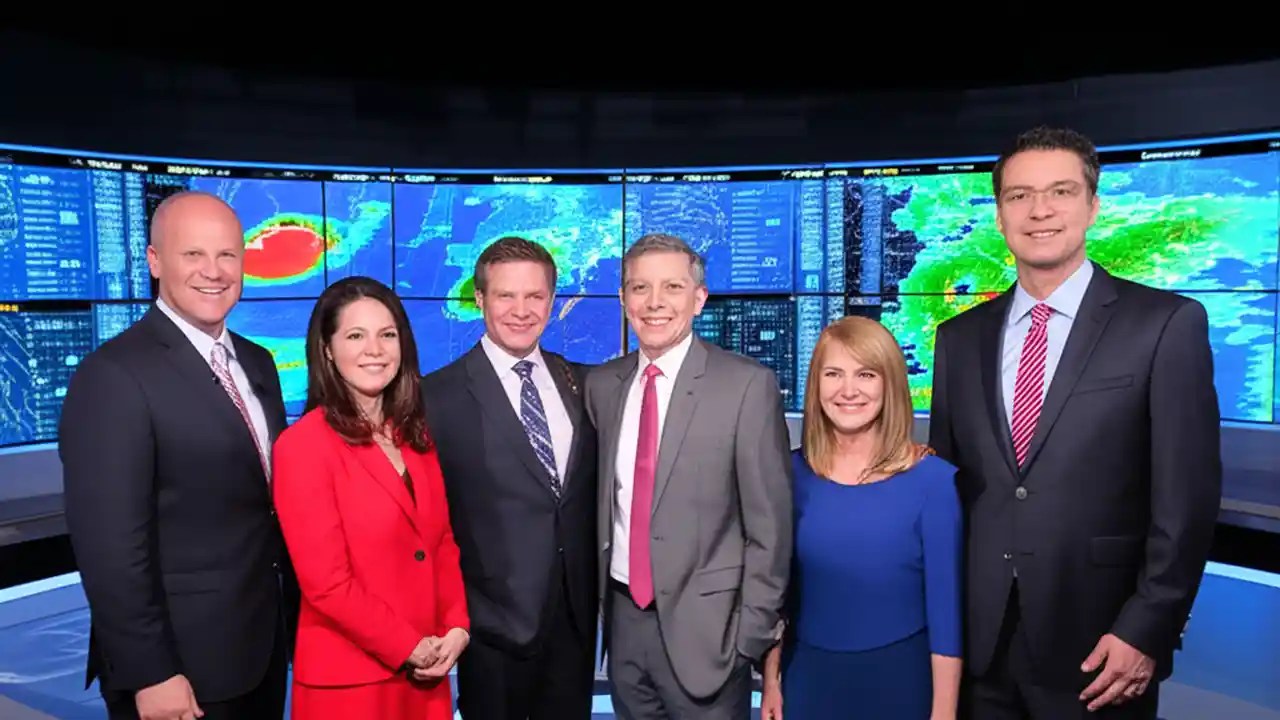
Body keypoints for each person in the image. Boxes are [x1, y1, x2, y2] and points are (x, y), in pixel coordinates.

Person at [928, 126, 1223, 718]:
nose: (1040, 211)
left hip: (1102, 648)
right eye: (1019, 195)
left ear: (1092, 205)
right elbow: (948, 491)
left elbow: (1186, 500)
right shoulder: (959, 339)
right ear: (1000, 211)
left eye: (1060, 192)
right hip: (979, 645)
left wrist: (1147, 629)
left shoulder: (1164, 324)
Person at [60, 191, 296, 720]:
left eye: (227, 255)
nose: (213, 271)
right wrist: (151, 672)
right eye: (193, 254)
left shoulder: (257, 363)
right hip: (177, 671)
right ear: (154, 260)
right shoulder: (114, 376)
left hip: (258, 650)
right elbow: (111, 548)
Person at [583, 232, 793, 719]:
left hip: (712, 639)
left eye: (672, 288)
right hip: (624, 628)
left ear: (699, 299)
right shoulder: (602, 386)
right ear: (623, 299)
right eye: (640, 288)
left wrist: (750, 639)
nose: (654, 303)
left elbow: (771, 529)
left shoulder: (746, 387)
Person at [271, 275, 470, 719]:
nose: (375, 350)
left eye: (387, 335)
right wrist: (408, 646)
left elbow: (440, 543)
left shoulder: (415, 437)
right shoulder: (302, 447)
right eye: (355, 336)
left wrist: (457, 625)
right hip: (352, 683)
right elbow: (327, 585)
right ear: (327, 349)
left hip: (426, 675)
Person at [421, 236, 598, 719]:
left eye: (535, 296)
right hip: (490, 633)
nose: (521, 310)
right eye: (506, 296)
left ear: (552, 301)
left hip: (575, 627)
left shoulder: (584, 383)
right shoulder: (436, 397)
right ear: (479, 299)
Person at [757, 316, 962, 719]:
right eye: (833, 374)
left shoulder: (933, 482)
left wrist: (944, 714)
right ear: (816, 384)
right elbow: (777, 592)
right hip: (807, 682)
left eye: (866, 374)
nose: (848, 390)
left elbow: (947, 618)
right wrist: (770, 680)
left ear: (890, 385)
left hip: (902, 684)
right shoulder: (789, 475)